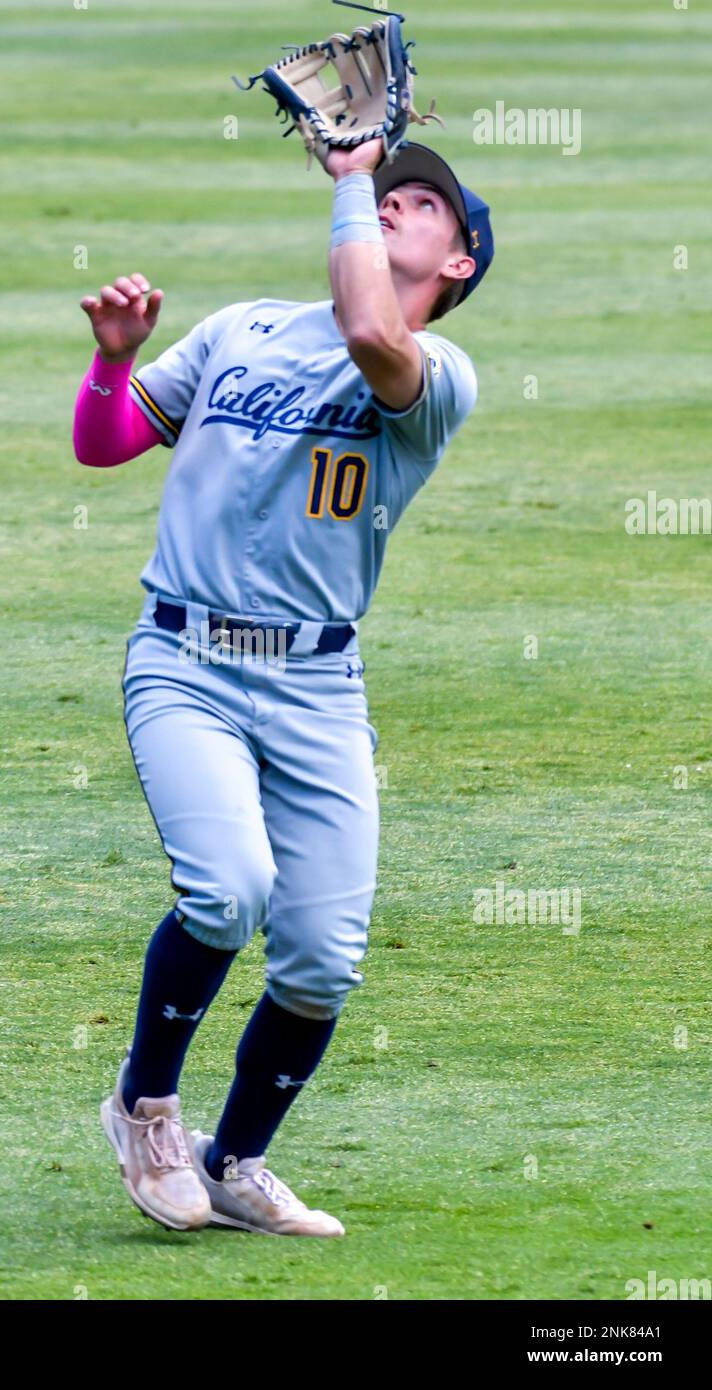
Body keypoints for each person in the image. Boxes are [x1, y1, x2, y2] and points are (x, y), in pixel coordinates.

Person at [74, 138, 494, 1236]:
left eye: (422, 205)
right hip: (187, 662)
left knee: (322, 957)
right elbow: (106, 442)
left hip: (317, 687)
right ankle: (144, 1104)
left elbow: (369, 328)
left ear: (459, 264)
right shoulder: (240, 328)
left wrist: (351, 180)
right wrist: (115, 359)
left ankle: (236, 1162)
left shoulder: (437, 378)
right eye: (388, 192)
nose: (398, 205)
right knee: (227, 890)